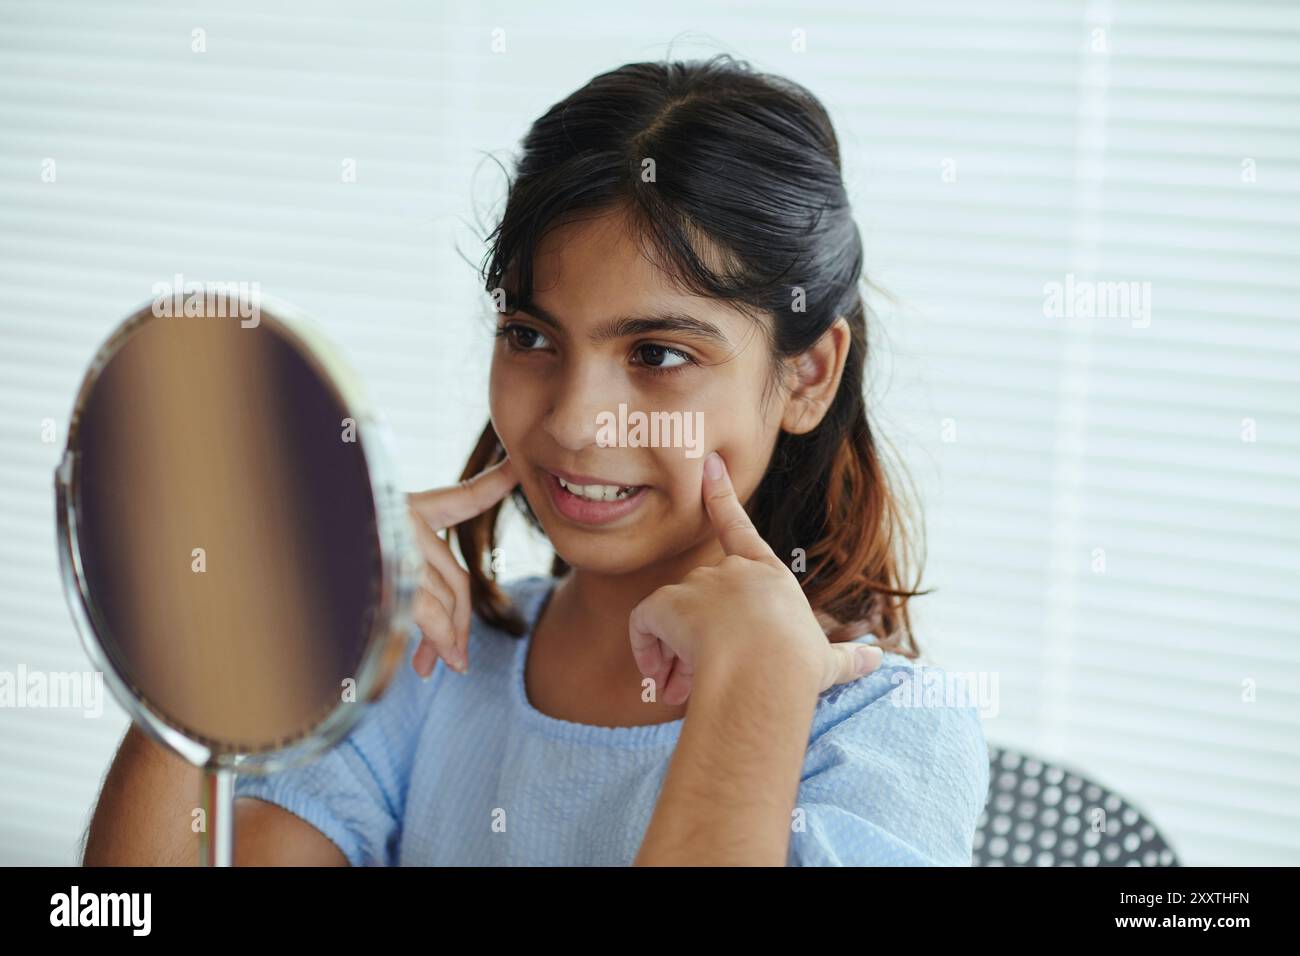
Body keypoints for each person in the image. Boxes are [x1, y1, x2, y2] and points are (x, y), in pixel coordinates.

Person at [83, 54, 989, 867]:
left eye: (659, 354)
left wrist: (754, 687)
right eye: (530, 335)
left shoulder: (886, 736)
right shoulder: (427, 663)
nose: (574, 420)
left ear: (807, 377)